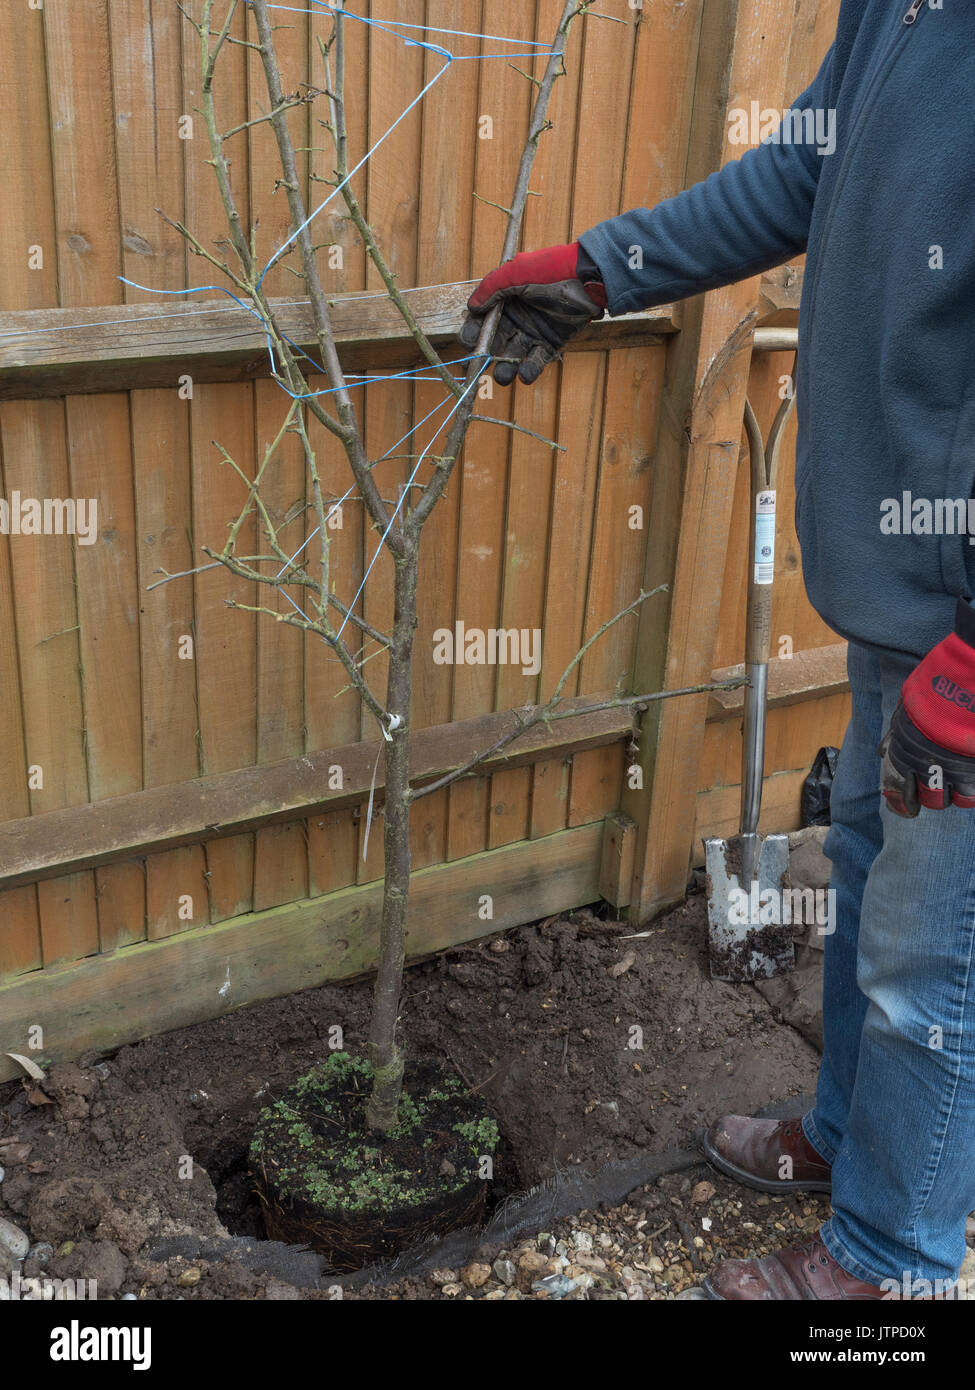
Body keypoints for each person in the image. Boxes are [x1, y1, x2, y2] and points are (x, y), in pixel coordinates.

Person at [460, 0, 975, 1301]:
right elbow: (809, 157)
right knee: (867, 866)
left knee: (937, 953)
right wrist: (604, 265)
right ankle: (860, 1149)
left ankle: (890, 1264)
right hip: (903, 589)